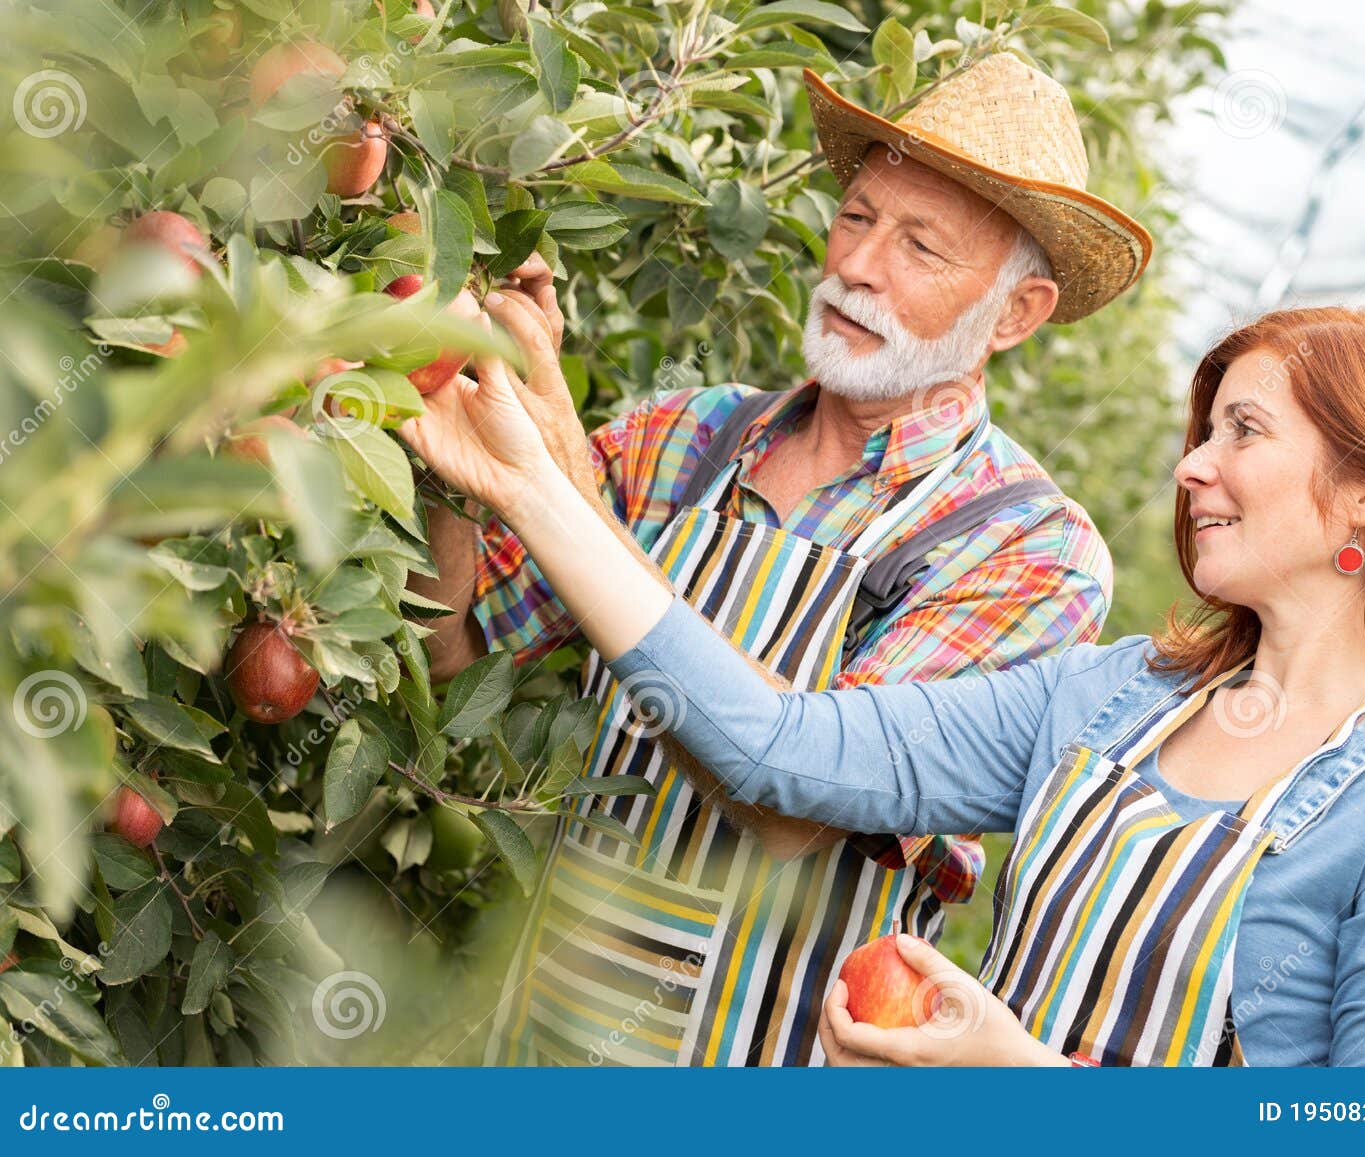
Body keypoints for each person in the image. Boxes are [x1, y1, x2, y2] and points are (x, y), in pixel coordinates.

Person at [402, 304, 1365, 1066]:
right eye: (1203, 430)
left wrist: (1017, 1078)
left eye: (1243, 430)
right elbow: (774, 746)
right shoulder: (1109, 698)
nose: (1193, 465)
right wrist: (529, 486)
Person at [414, 53, 1153, 1065]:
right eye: (857, 217)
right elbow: (452, 643)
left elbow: (792, 799)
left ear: (1015, 313)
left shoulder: (1024, 548)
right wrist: (454, 446)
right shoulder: (680, 437)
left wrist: (562, 491)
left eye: (921, 245)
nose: (859, 264)